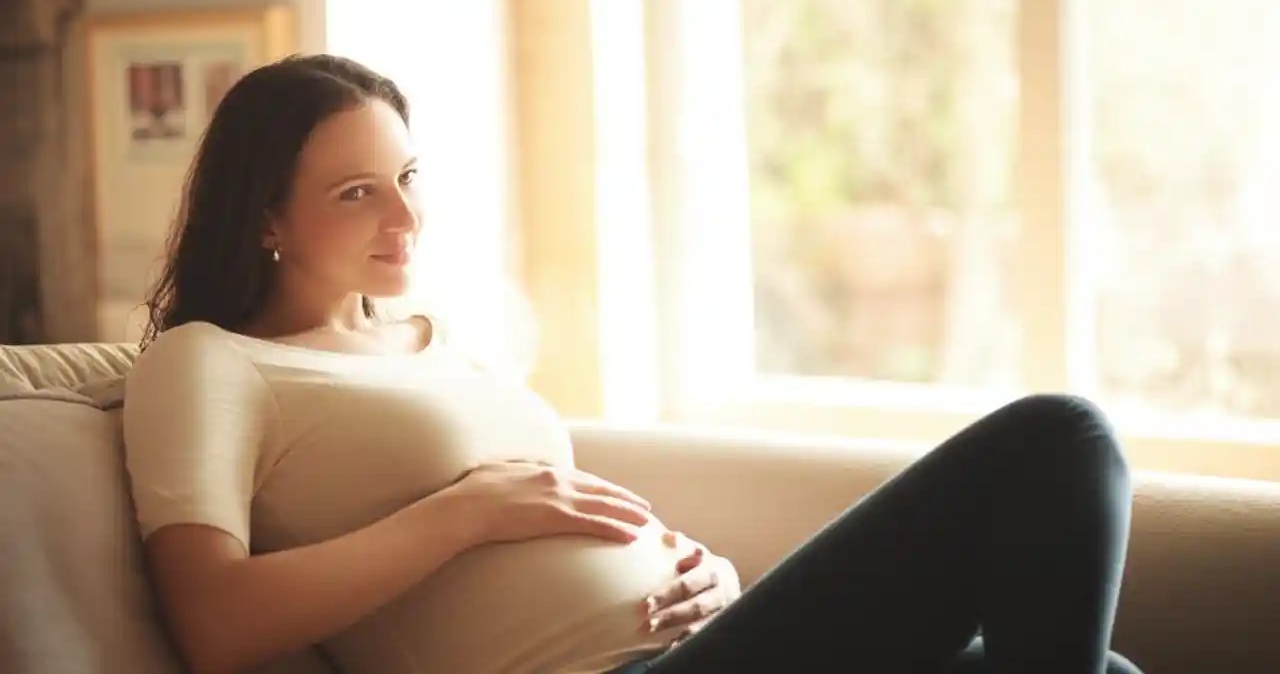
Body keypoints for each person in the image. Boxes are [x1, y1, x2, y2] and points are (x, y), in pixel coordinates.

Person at [123, 54, 1143, 674]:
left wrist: (711, 573)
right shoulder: (209, 365)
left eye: (408, 178)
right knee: (1057, 443)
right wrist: (461, 513)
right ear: (265, 216)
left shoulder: (436, 343)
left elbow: (559, 517)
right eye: (357, 193)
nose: (406, 217)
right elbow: (214, 625)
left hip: (693, 648)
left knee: (1101, 668)